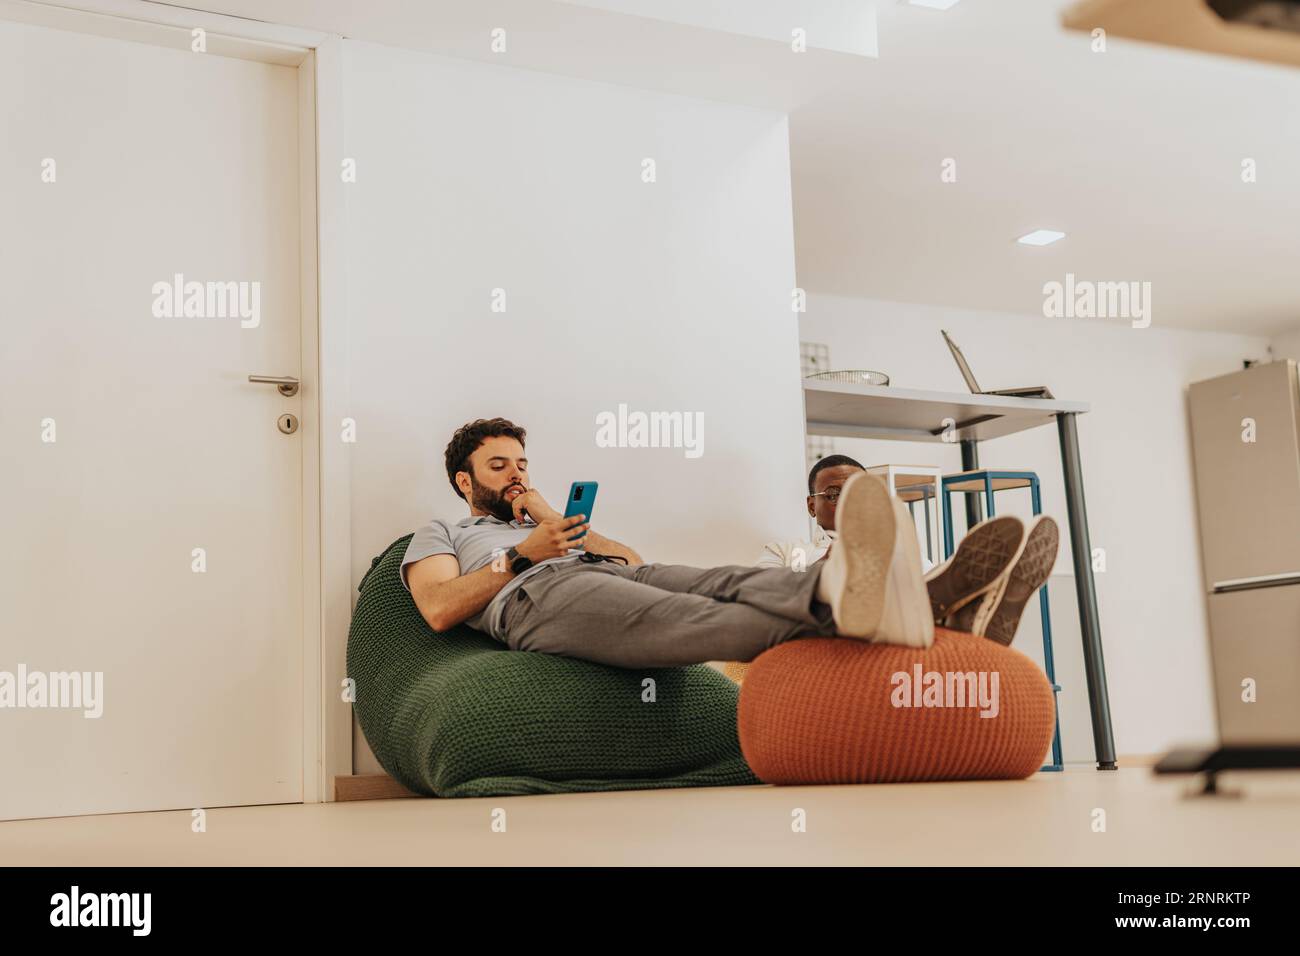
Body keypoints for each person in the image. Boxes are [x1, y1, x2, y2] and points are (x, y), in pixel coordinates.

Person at [400, 418, 1044, 670]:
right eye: (499, 467)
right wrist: (521, 555)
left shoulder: (541, 519)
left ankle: (866, 590)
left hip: (608, 573)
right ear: (465, 482)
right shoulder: (442, 532)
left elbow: (628, 559)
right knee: (696, 619)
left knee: (724, 579)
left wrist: (548, 522)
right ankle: (927, 618)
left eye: (522, 463)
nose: (516, 473)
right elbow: (435, 609)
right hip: (535, 593)